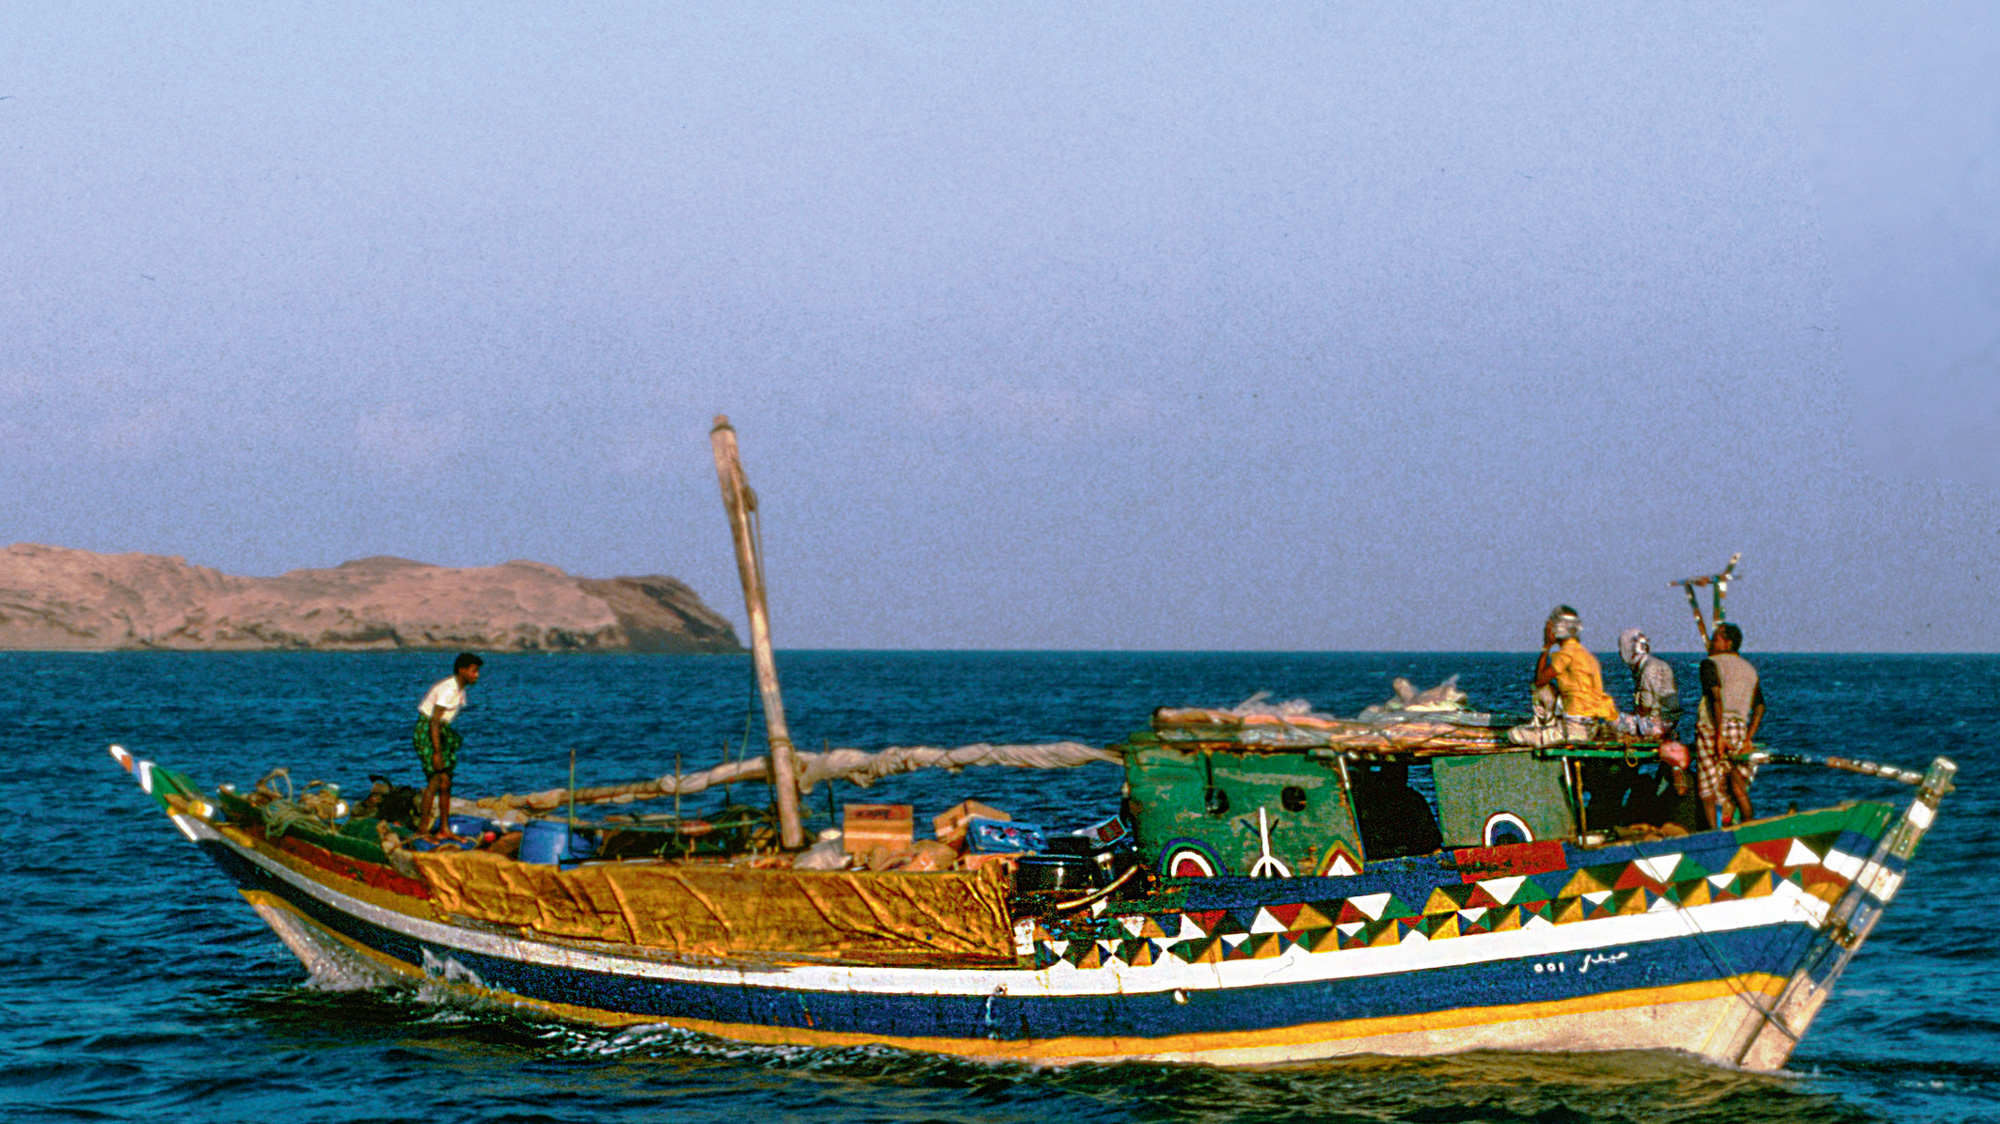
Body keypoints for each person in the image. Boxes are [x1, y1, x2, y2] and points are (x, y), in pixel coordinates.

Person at [1696, 623, 1763, 829]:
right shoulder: (1749, 669)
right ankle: (1749, 828)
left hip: (1713, 727)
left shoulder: (1710, 664)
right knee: (1738, 787)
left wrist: (1718, 736)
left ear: (1727, 643)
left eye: (1715, 638)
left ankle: (1714, 835)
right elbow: (1760, 706)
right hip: (1739, 730)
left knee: (1707, 788)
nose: (1711, 642)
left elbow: (1716, 698)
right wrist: (1748, 737)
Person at [415, 652, 483, 838]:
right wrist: (437, 752)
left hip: (441, 732)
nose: (476, 675)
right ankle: (422, 830)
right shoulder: (449, 689)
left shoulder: (460, 690)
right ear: (462, 671)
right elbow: (434, 721)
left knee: (446, 782)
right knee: (435, 780)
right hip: (430, 732)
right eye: (473, 671)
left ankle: (444, 829)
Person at [1614, 628, 1683, 740]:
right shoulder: (1653, 665)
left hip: (1658, 724)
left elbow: (1646, 705)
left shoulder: (1649, 668)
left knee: (1614, 720)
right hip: (1665, 721)